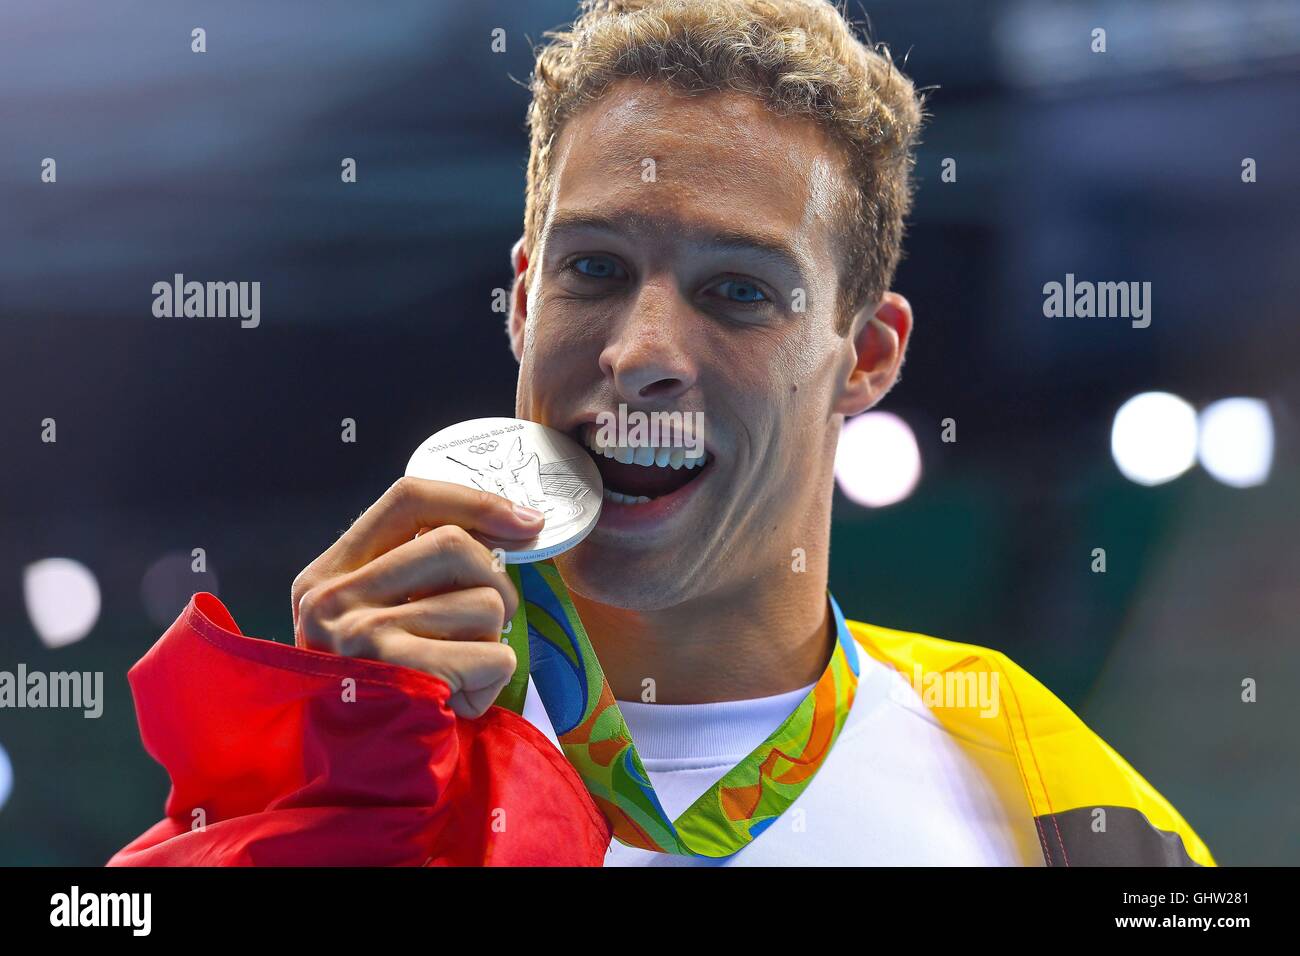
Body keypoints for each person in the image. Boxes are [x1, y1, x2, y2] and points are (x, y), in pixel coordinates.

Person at [110, 0, 1213, 867]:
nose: (642, 349)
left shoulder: (1047, 795)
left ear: (866, 354)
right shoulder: (363, 746)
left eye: (737, 289)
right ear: (522, 301)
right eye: (594, 268)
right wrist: (326, 811)